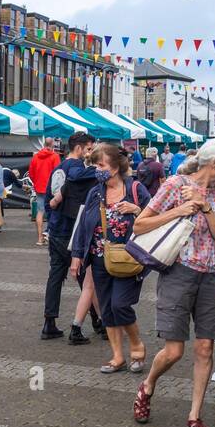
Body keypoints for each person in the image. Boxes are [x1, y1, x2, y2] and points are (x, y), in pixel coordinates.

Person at [131, 138, 215, 427]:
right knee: (174, 351)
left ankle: (195, 416)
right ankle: (148, 385)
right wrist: (179, 211)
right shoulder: (175, 185)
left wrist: (205, 206)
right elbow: (140, 225)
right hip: (178, 273)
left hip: (211, 275)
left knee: (205, 348)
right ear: (214, 163)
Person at [71, 144, 151, 373]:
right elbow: (83, 226)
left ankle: (136, 345)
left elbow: (155, 216)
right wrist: (76, 255)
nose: (97, 170)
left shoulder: (135, 189)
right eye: (95, 165)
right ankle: (117, 356)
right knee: (107, 308)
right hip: (99, 258)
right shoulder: (95, 192)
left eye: (101, 165)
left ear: (115, 168)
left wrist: (136, 210)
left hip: (129, 258)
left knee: (120, 304)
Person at [41, 134, 97, 340]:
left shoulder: (59, 168)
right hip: (71, 231)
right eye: (89, 149)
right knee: (86, 279)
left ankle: (49, 322)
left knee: (56, 276)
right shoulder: (77, 168)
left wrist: (52, 215)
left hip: (56, 229)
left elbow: (49, 201)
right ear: (79, 148)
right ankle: (96, 321)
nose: (91, 153)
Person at [28, 140, 62, 246]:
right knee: (53, 211)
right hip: (52, 188)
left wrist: (36, 182)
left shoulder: (35, 157)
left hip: (39, 187)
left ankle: (40, 238)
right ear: (52, 145)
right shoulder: (55, 157)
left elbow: (31, 173)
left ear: (44, 144)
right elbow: (58, 173)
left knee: (40, 212)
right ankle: (49, 235)